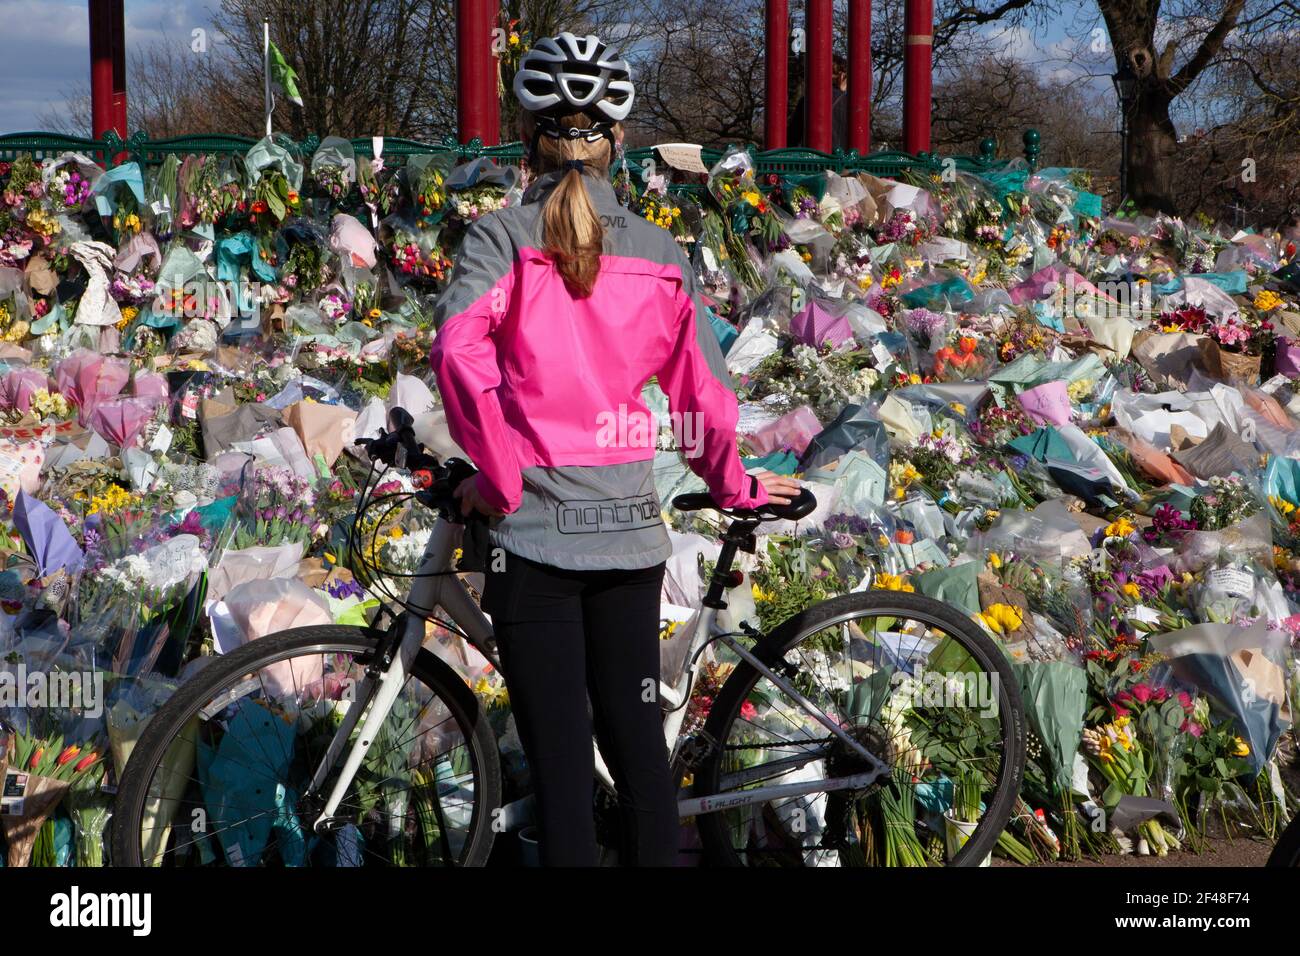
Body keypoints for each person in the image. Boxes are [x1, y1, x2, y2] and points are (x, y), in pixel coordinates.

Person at [429, 32, 800, 866]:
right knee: (640, 760)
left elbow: (457, 352)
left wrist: (498, 476)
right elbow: (702, 394)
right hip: (631, 537)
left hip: (539, 544)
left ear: (528, 142)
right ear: (619, 143)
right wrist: (733, 483)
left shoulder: (498, 239)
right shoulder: (660, 252)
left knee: (562, 776)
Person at [786, 54, 850, 151]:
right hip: (845, 163)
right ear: (842, 77)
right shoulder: (851, 104)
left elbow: (791, 138)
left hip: (813, 162)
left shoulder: (807, 101)